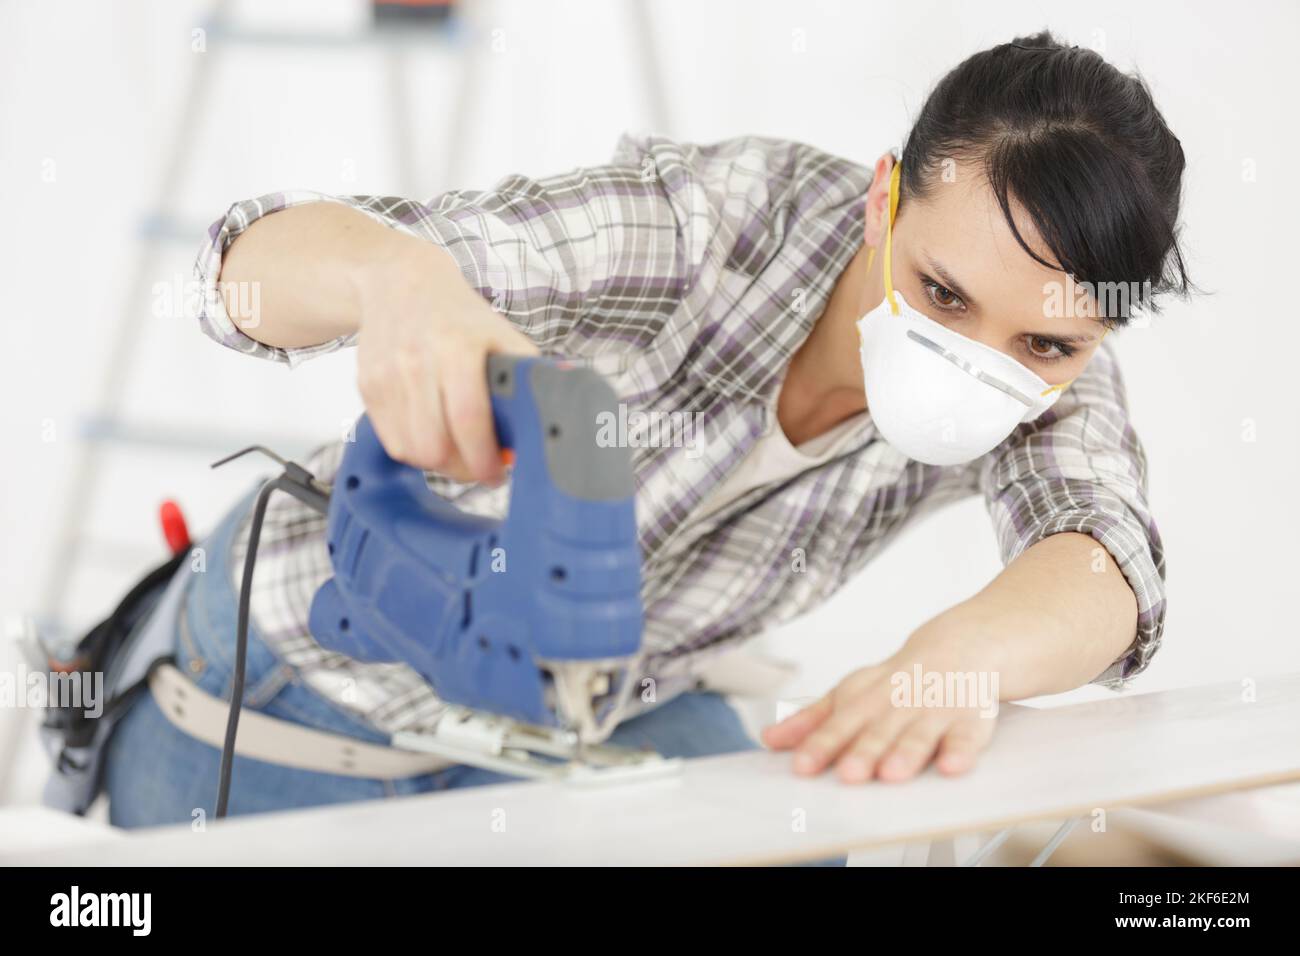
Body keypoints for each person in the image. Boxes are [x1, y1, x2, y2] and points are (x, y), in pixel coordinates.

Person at [104, 30, 1187, 827]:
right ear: (883, 202)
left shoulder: (1049, 361)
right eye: (942, 293)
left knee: (797, 844)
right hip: (285, 693)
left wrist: (962, 654)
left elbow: (1104, 563)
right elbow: (232, 274)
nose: (982, 360)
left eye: (1045, 344)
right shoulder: (704, 226)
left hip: (584, 715)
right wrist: (397, 278)